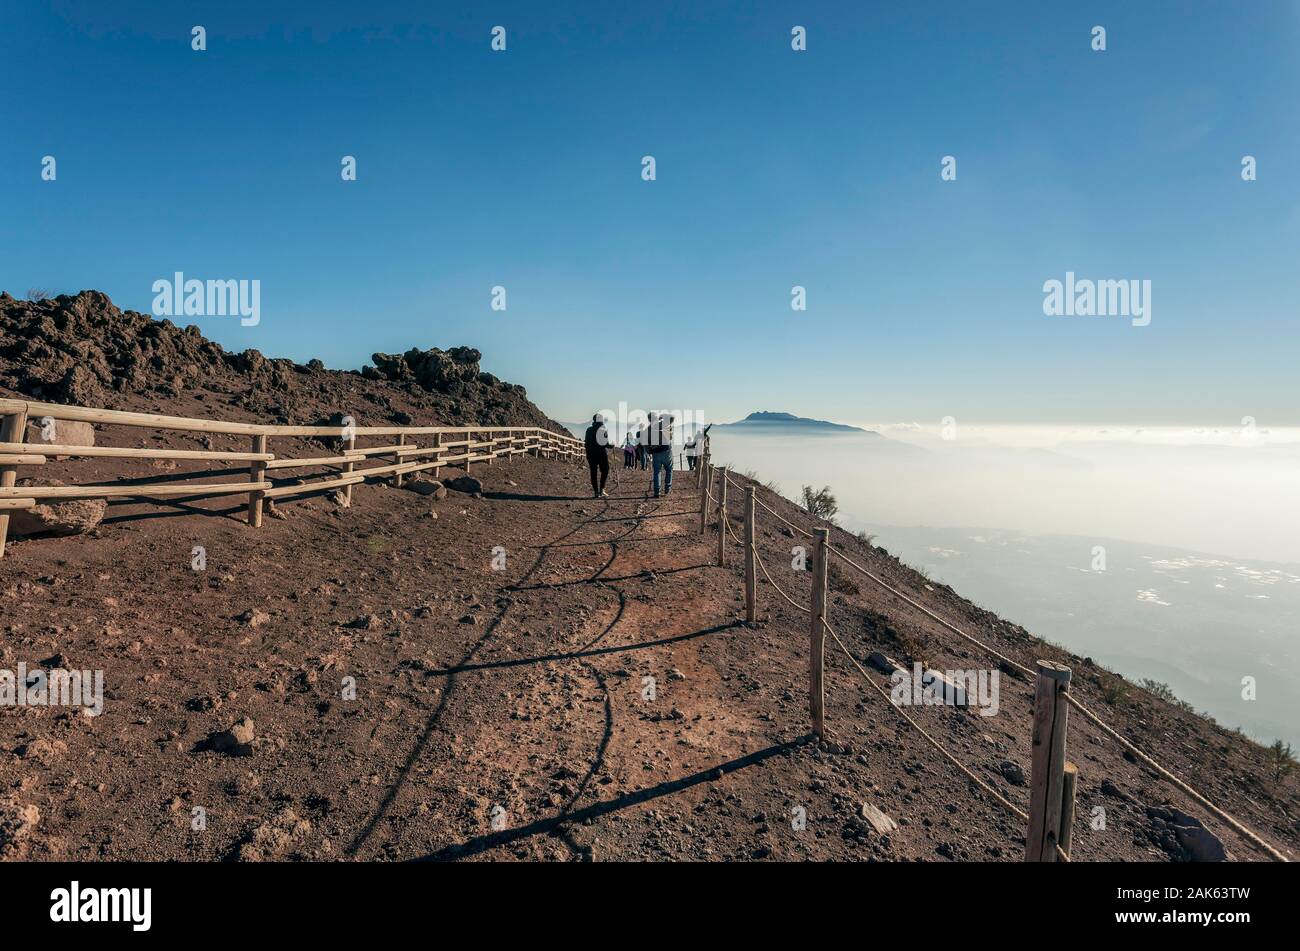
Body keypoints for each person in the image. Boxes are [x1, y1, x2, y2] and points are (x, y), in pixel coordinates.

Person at [645, 411, 674, 497]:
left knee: (657, 472)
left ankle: (657, 492)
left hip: (655, 452)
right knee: (669, 469)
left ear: (649, 419)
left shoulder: (648, 429)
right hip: (666, 450)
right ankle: (667, 488)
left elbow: (646, 444)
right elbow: (672, 417)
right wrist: (663, 416)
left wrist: (649, 451)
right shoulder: (663, 424)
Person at [584, 414, 610, 498]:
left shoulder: (589, 430)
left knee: (593, 472)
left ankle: (596, 492)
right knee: (605, 470)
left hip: (591, 453)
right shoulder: (603, 429)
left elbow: (586, 442)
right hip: (601, 453)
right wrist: (611, 446)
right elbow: (605, 443)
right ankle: (602, 490)